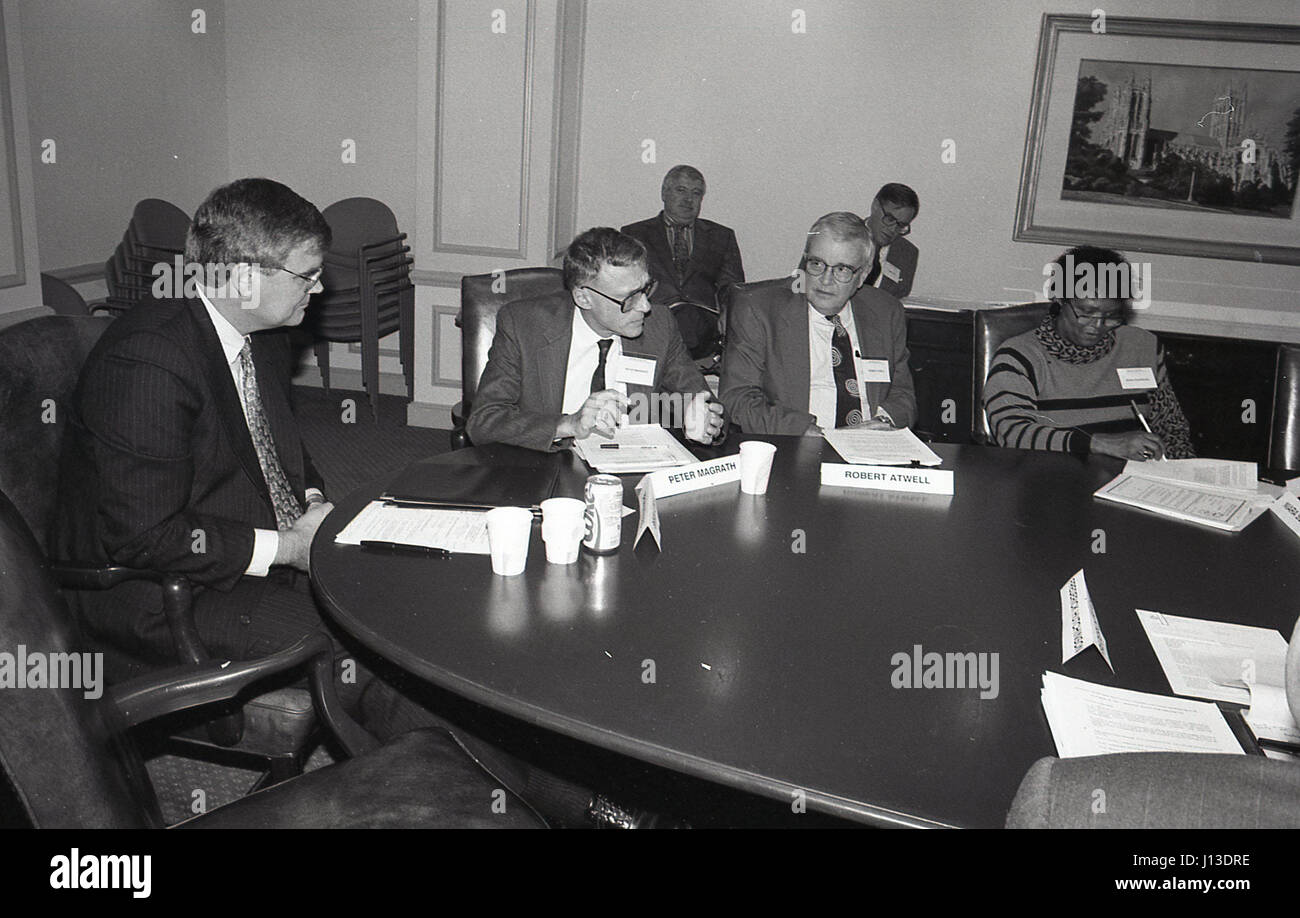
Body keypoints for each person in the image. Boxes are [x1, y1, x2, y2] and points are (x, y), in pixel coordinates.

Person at [53, 178, 647, 827]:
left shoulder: (260, 333)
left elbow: (284, 447)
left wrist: (308, 500)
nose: (320, 290)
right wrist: (287, 546)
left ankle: (543, 789)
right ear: (245, 277)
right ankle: (566, 808)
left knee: (416, 595)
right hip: (156, 590)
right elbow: (140, 536)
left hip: (237, 538)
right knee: (370, 644)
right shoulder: (150, 359)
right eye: (308, 276)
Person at [466, 226, 725, 451]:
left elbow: (703, 404)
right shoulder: (524, 325)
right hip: (552, 466)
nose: (645, 306)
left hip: (633, 469)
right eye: (629, 298)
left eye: (646, 289)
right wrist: (569, 424)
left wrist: (704, 422)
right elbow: (485, 421)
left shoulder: (660, 325)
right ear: (583, 298)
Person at [983, 246, 1194, 460]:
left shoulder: (1141, 346)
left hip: (1133, 480)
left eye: (1111, 315)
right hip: (1051, 478)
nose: (1097, 326)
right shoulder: (1020, 356)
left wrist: (1184, 475)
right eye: (1086, 313)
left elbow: (1172, 429)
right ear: (1059, 300)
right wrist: (1098, 444)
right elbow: (1012, 433)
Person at [719, 211, 916, 436]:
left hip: (871, 451)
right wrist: (812, 434)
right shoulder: (759, 309)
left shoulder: (885, 312)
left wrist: (882, 423)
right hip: (799, 447)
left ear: (863, 275)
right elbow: (738, 398)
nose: (825, 279)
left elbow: (903, 394)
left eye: (842, 269)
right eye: (817, 264)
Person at [621, 165, 745, 361]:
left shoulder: (722, 236)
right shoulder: (635, 234)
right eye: (681, 190)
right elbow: (625, 284)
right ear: (664, 193)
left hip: (703, 328)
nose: (688, 199)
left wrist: (728, 313)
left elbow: (733, 287)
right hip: (653, 322)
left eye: (696, 193)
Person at [863, 183, 919, 299]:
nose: (893, 229)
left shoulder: (908, 254)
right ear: (875, 206)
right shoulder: (844, 236)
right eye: (890, 219)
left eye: (901, 225)